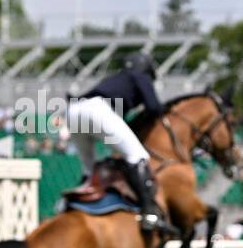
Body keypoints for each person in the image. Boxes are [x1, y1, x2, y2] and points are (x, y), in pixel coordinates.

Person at [67, 52, 172, 234]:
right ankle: (149, 212)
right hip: (97, 110)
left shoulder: (118, 77)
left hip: (74, 110)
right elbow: (154, 108)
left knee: (89, 169)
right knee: (137, 156)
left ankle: (70, 208)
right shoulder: (139, 76)